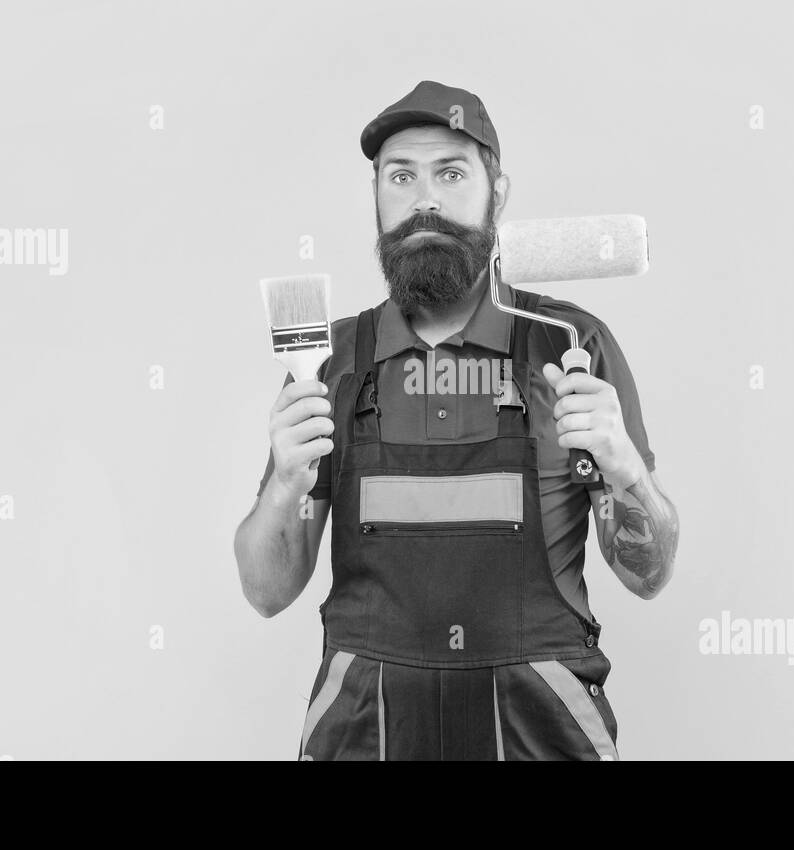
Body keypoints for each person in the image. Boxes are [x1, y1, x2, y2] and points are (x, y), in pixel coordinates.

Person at [234, 80, 679, 760]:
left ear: (497, 192)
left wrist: (627, 478)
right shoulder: (331, 363)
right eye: (401, 176)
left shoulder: (568, 346)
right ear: (377, 195)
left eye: (451, 172)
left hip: (542, 725)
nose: (425, 199)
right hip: (365, 728)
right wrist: (283, 485)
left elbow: (649, 576)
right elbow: (266, 593)